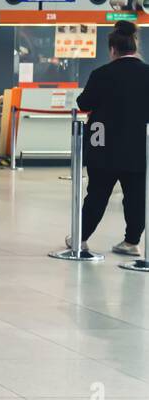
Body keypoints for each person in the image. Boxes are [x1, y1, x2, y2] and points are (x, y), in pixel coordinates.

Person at [70, 21, 149, 255]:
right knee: (135, 196)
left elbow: (84, 103)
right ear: (134, 46)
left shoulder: (102, 73)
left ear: (113, 49)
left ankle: (80, 238)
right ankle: (132, 242)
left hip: (103, 144)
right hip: (137, 145)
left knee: (97, 193)